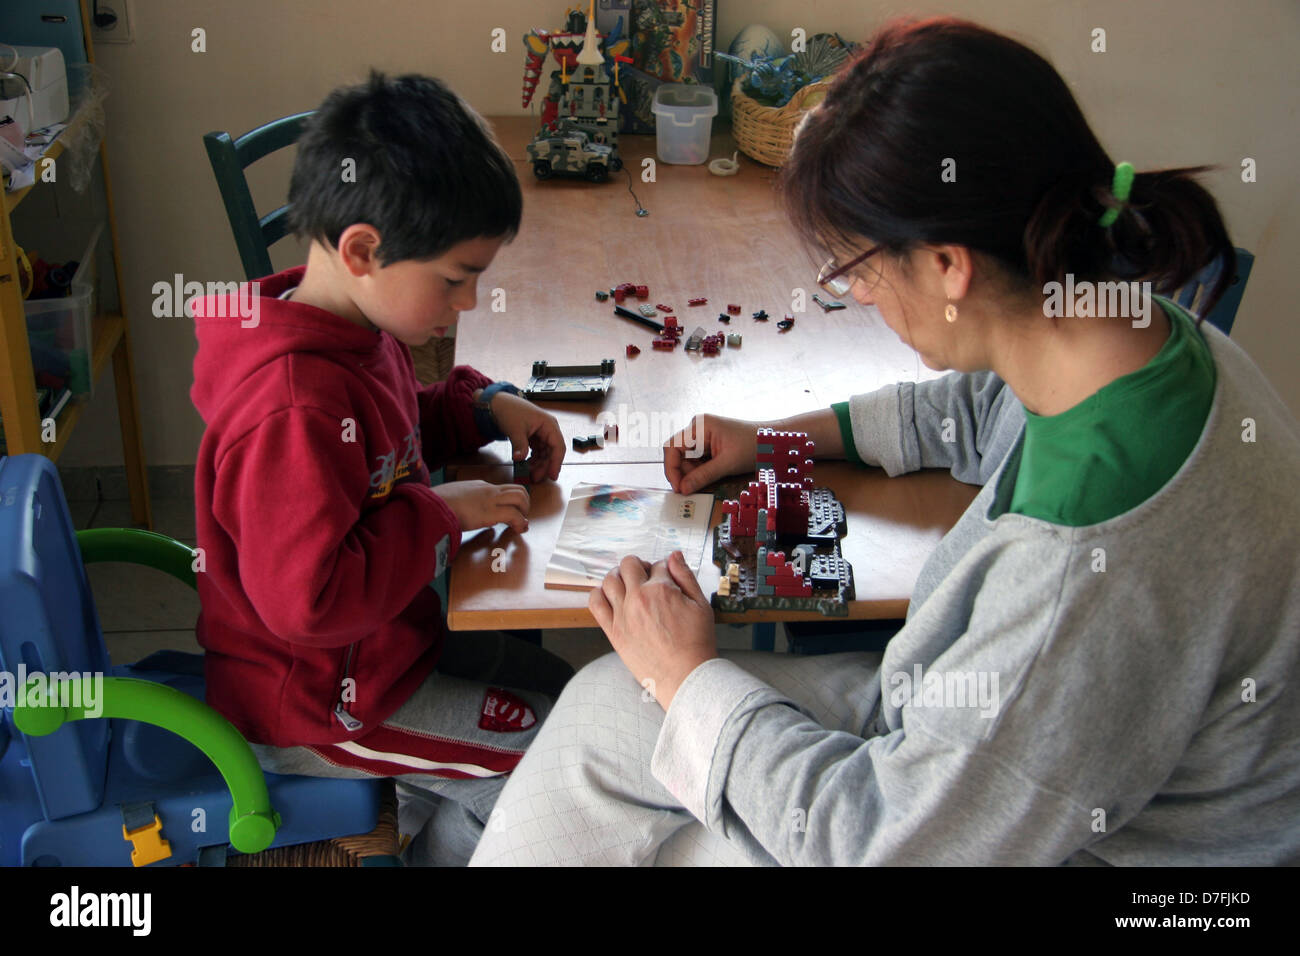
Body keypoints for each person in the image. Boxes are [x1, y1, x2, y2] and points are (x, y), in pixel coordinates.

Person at [470, 18, 1300, 865]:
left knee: (673, 809)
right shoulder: (1124, 335)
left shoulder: (1082, 582)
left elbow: (884, 844)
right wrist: (771, 444)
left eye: (857, 269)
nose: (861, 296)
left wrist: (688, 678)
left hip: (1066, 848)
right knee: (608, 705)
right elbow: (971, 414)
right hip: (967, 744)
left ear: (948, 265)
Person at [191, 72, 574, 865]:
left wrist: (483, 406)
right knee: (551, 774)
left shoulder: (356, 330)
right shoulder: (292, 406)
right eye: (456, 279)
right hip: (319, 708)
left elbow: (394, 434)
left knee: (565, 690)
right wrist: (441, 512)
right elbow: (310, 603)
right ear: (364, 251)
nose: (466, 305)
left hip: (386, 654)